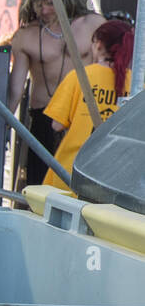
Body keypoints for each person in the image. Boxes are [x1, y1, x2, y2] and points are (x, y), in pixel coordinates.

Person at [6, 0, 105, 187]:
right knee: (38, 185)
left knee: (80, 185)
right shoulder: (25, 36)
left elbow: (109, 70)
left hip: (83, 115)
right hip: (44, 116)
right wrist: (2, 124)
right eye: (38, 4)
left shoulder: (93, 24)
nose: (44, 10)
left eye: (49, 2)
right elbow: (15, 89)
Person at [42, 19, 133, 191]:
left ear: (98, 45)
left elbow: (57, 124)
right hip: (115, 179)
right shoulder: (138, 85)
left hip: (71, 174)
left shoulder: (79, 76)